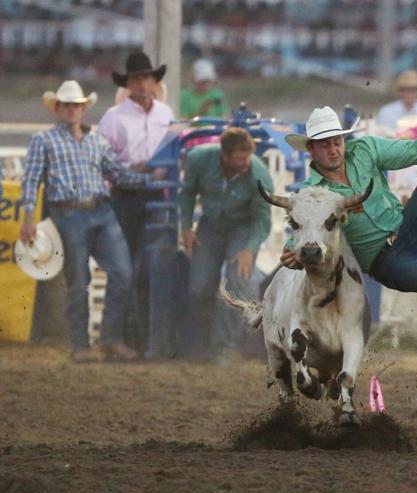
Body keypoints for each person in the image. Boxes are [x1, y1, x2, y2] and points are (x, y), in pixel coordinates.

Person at [280, 106, 417, 340]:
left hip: (410, 225)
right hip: (385, 261)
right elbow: (308, 230)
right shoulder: (313, 193)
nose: (333, 151)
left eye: (337, 142)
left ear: (343, 140)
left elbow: (412, 150)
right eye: (325, 145)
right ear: (311, 149)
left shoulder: (364, 149)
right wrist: (296, 249)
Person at [19, 80, 165, 362]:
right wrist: (28, 219)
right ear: (58, 109)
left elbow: (119, 174)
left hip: (101, 209)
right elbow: (30, 181)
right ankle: (80, 344)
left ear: (83, 108)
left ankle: (109, 338)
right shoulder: (43, 140)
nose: (72, 110)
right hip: (68, 213)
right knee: (78, 281)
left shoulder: (97, 141)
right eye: (67, 105)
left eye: (76, 105)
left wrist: (150, 180)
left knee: (122, 273)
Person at [98, 52, 175, 353]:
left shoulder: (165, 115)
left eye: (146, 77)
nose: (142, 83)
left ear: (154, 81)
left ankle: (143, 339)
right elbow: (103, 162)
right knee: (123, 268)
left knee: (150, 268)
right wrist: (137, 170)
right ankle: (119, 337)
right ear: (128, 84)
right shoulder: (112, 118)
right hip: (124, 198)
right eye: (136, 78)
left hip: (156, 195)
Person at [179, 128, 273, 363]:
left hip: (242, 227)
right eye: (240, 158)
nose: (245, 162)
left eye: (248, 157)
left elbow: (262, 218)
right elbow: (187, 192)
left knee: (238, 280)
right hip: (209, 225)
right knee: (198, 287)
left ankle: (226, 346)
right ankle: (201, 342)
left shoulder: (259, 174)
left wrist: (250, 249)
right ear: (225, 155)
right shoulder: (198, 159)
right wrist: (186, 226)